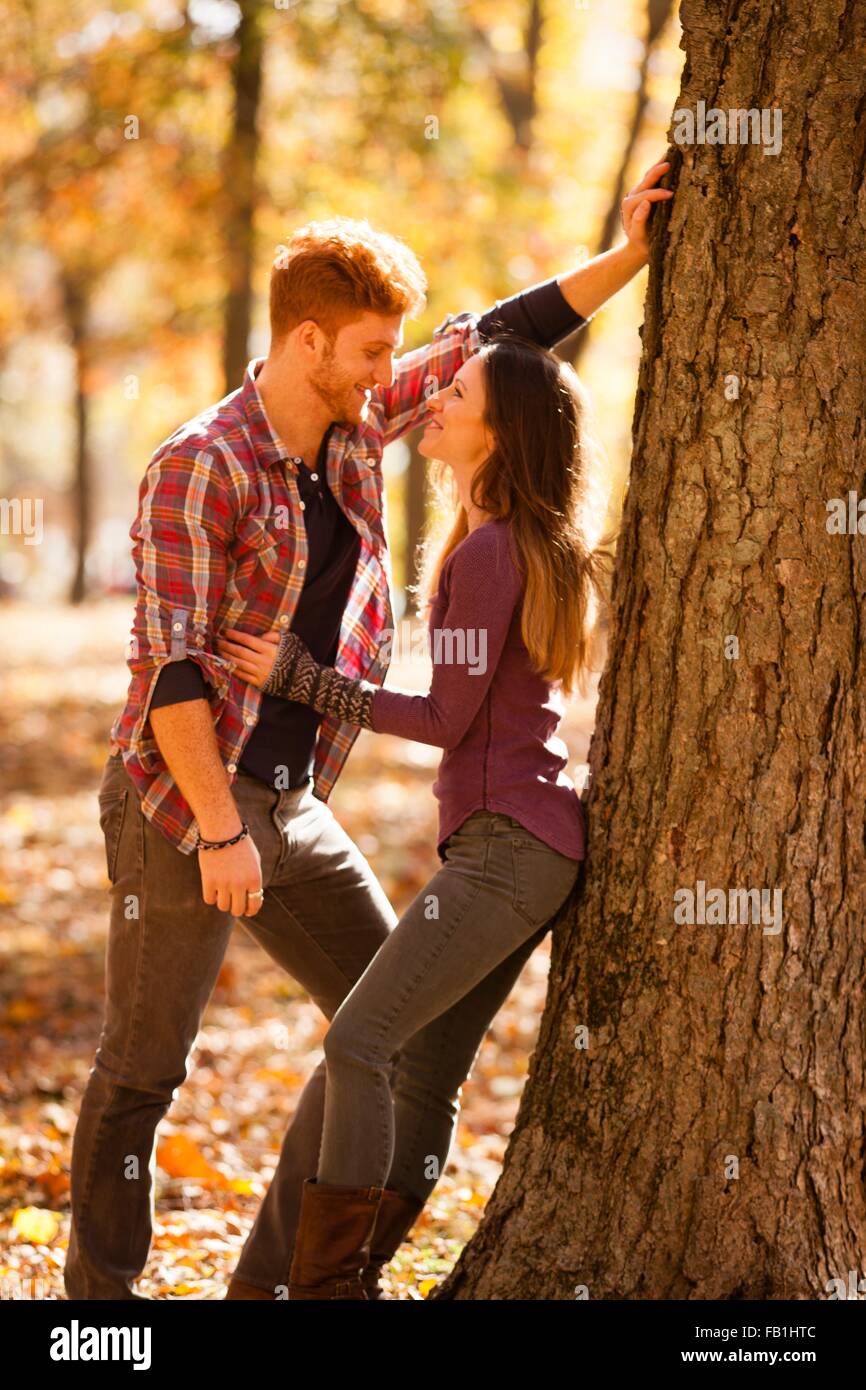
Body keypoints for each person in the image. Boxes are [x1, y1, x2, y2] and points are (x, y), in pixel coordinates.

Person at [64, 163, 673, 1302]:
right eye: (370, 353)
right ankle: (96, 1312)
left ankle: (277, 1290)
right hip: (186, 804)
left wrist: (629, 257)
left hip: (296, 808)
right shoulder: (200, 467)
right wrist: (215, 829)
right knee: (145, 1070)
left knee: (381, 1035)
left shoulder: (351, 428)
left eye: (393, 356)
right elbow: (171, 669)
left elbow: (492, 338)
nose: (396, 376)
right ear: (305, 343)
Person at [216, 331, 614, 1300]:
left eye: (457, 393)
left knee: (359, 1044)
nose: (431, 399)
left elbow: (444, 718)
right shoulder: (510, 544)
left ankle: (324, 1289)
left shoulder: (488, 553)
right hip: (525, 844)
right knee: (425, 1070)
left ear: (499, 429)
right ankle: (352, 1275)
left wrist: (304, 681)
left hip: (506, 850)